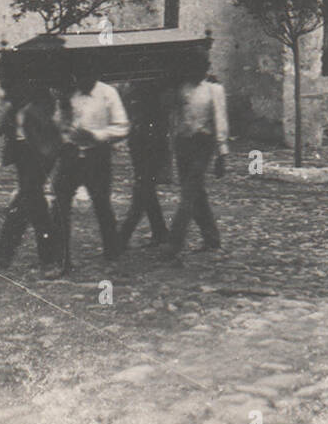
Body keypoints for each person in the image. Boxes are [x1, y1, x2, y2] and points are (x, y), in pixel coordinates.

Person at [47, 65, 130, 274]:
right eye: (80, 73)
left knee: (102, 204)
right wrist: (63, 113)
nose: (84, 78)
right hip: (71, 156)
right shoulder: (69, 93)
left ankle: (112, 252)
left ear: (97, 73)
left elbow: (122, 126)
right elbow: (57, 124)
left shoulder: (108, 94)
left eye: (88, 73)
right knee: (60, 204)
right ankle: (61, 257)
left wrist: (96, 135)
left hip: (97, 156)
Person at [163, 49, 229, 258]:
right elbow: (173, 116)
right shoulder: (181, 89)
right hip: (183, 143)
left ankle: (174, 244)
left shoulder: (213, 90)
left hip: (203, 143)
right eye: (195, 68)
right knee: (195, 192)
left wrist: (222, 153)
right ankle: (212, 238)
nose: (200, 72)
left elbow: (220, 119)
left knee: (189, 193)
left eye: (203, 68)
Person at [0, 70, 60, 273]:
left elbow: (49, 135)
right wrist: (7, 112)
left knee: (27, 203)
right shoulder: (15, 107)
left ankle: (5, 254)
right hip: (22, 156)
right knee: (31, 203)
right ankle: (47, 257)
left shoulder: (43, 104)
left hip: (39, 156)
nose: (9, 89)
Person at [118, 78, 171, 250]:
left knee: (143, 188)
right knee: (145, 189)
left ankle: (122, 237)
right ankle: (160, 231)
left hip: (152, 142)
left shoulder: (154, 89)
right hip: (138, 142)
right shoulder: (132, 89)